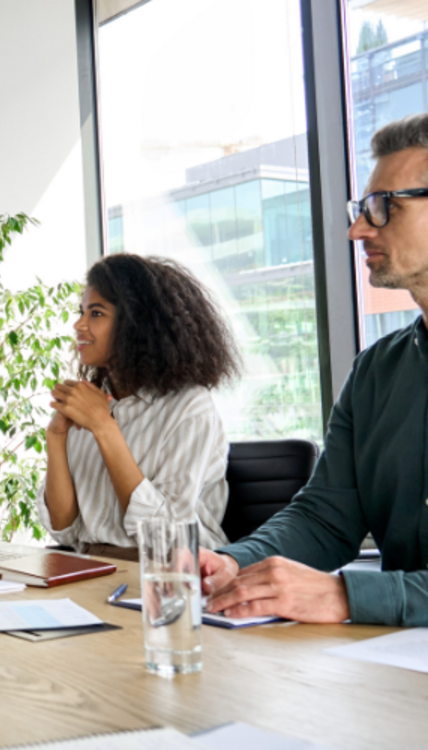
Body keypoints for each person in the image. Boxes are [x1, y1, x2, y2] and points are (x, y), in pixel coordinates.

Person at [200, 113, 428, 628]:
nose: (357, 228)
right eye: (362, 208)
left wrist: (348, 596)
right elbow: (326, 518)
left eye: (383, 206)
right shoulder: (376, 371)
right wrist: (235, 562)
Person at [38, 254, 240, 560]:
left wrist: (104, 428)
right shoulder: (91, 402)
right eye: (82, 312)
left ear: (136, 323)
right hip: (90, 567)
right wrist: (56, 436)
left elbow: (168, 536)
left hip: (167, 576)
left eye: (96, 313)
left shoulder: (189, 407)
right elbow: (64, 528)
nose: (78, 325)